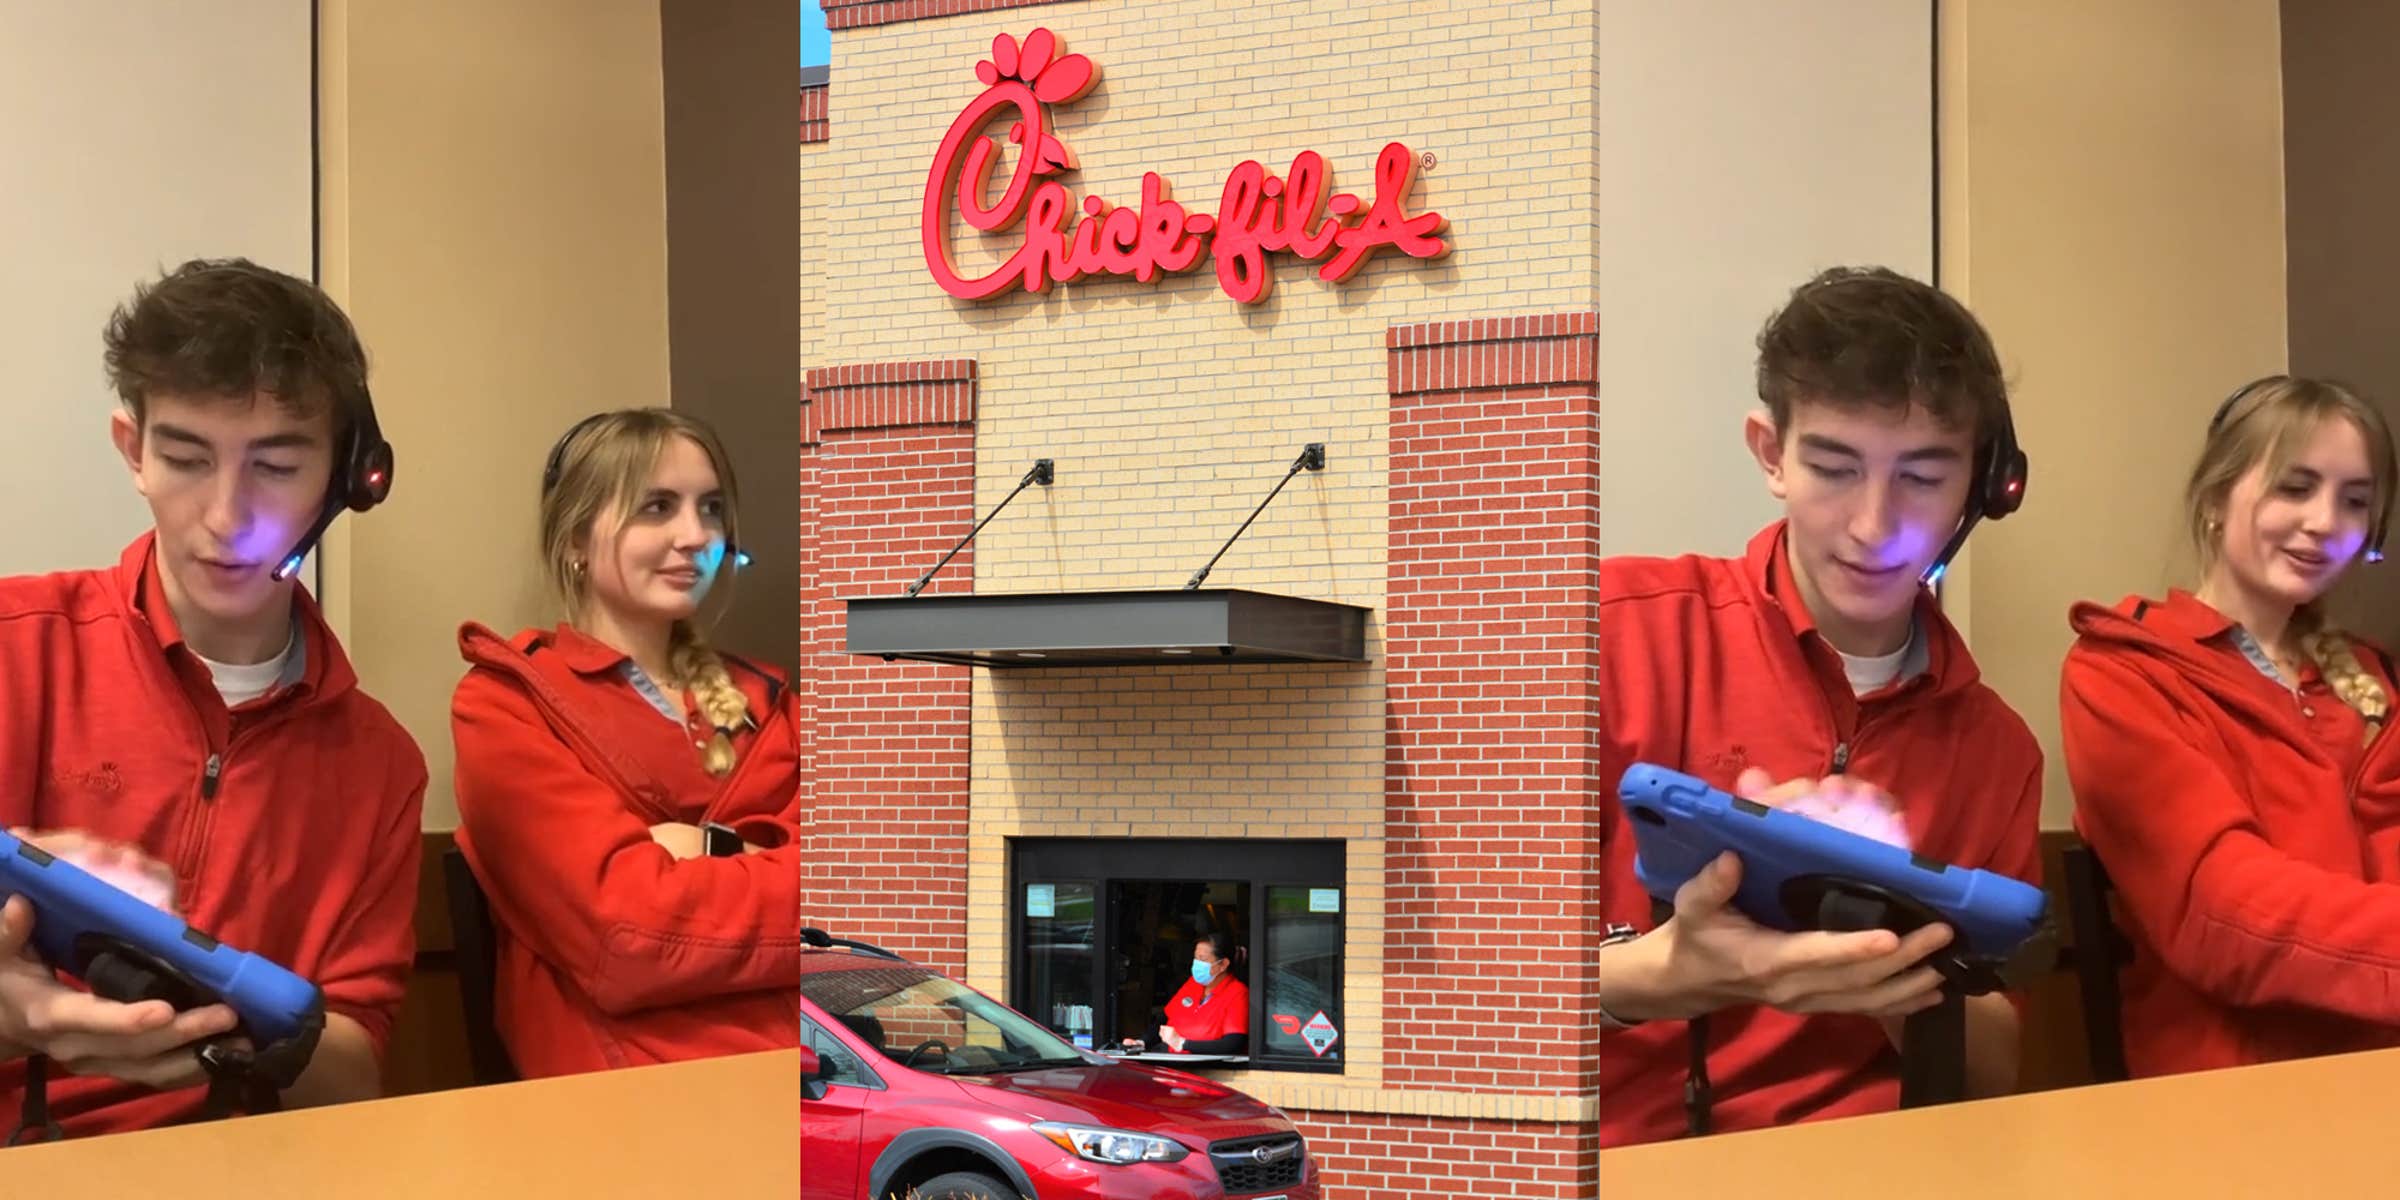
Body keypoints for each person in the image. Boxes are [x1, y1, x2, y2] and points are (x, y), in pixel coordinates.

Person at [1593, 266, 2044, 1146]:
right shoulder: (1610, 631)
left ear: (1987, 484)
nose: (1874, 526)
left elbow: (1991, 1075)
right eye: (1834, 469)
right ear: (1771, 454)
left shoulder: (1996, 748)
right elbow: (1448, 1003)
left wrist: (1885, 933)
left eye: (1923, 476)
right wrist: (1663, 976)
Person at [0, 258, 425, 1139]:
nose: (227, 518)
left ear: (349, 478)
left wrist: (254, 1036)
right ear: (133, 451)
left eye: (277, 465)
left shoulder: (381, 765)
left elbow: (357, 1075)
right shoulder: (16, 650)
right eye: (186, 459)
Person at [2060, 374, 2400, 1078]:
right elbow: (2225, 913)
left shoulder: (2379, 682)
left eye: (2355, 500)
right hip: (2232, 1090)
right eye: (2294, 487)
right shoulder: (2121, 674)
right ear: (2216, 497)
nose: (2325, 522)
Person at [449, 407, 802, 1078]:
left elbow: (860, 901)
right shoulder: (504, 704)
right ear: (576, 538)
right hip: (635, 1087)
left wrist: (701, 849)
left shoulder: (771, 701)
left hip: (819, 1070)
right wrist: (763, 860)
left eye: (711, 509)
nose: (695, 536)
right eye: (657, 507)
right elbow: (629, 937)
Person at [1121, 934, 1248, 1055]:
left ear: (1223, 964)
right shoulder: (1193, 983)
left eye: (1202, 959)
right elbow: (1164, 1019)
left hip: (1204, 1066)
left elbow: (1233, 1043)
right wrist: (1142, 1042)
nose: (1197, 963)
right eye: (1195, 958)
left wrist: (1184, 1044)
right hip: (1168, 1057)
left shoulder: (1238, 992)